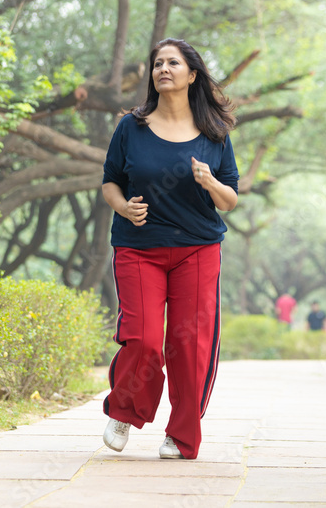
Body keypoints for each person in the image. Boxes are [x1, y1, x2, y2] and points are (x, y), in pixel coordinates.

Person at [100, 38, 239, 461]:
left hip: (197, 251)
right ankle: (124, 410)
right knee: (143, 340)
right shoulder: (131, 128)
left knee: (190, 345)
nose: (163, 68)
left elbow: (230, 197)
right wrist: (124, 207)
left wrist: (210, 182)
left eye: (173, 62)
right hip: (138, 248)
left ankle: (181, 436)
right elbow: (109, 181)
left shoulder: (214, 133)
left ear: (191, 74)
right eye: (158, 63)